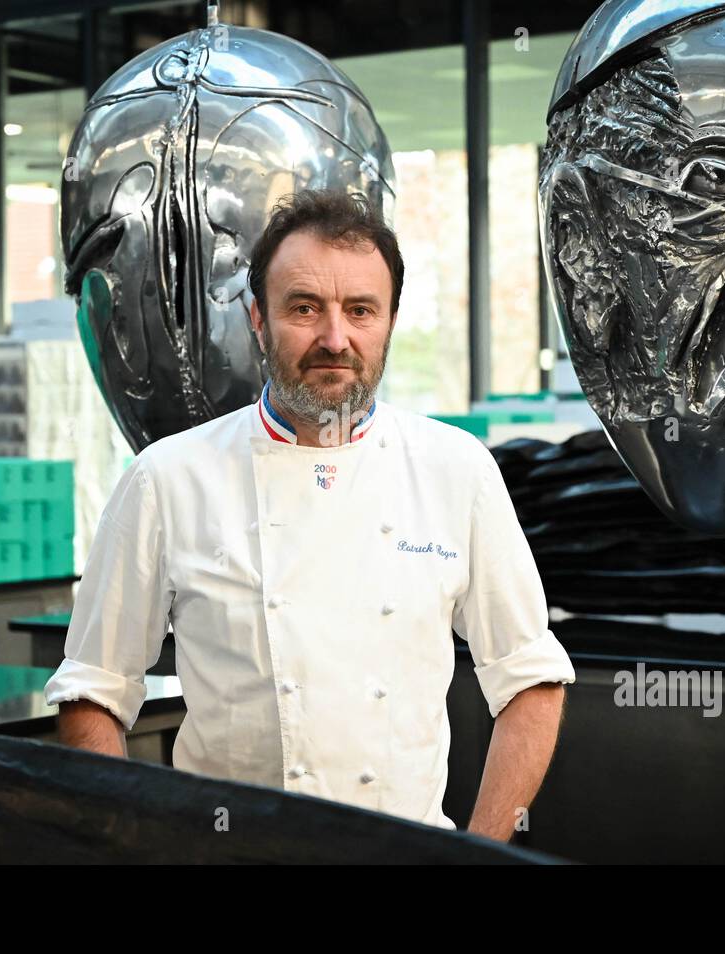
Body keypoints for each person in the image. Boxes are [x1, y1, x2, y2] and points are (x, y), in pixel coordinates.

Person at [46, 189, 575, 840]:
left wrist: (477, 854)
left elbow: (531, 680)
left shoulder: (456, 470)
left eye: (360, 310)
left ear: (389, 320)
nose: (335, 338)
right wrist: (137, 844)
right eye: (304, 308)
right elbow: (92, 693)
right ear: (258, 320)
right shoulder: (168, 478)